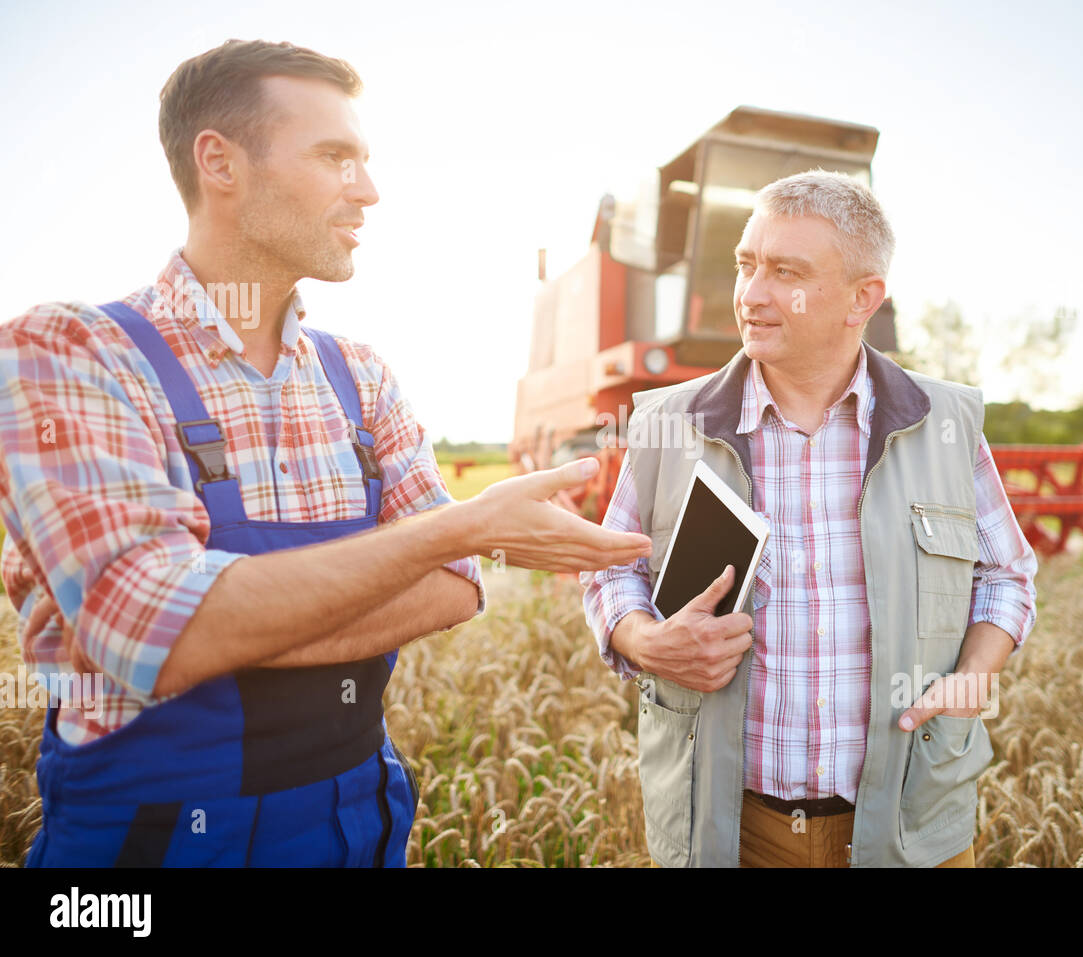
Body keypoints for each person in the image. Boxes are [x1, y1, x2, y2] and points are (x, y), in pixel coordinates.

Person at [0, 38, 650, 868]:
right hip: (149, 843)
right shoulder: (70, 353)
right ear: (220, 162)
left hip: (360, 821)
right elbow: (156, 631)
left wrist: (230, 625)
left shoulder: (360, 376)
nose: (369, 191)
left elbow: (454, 591)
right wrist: (455, 529)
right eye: (336, 157)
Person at [581, 169, 1038, 867]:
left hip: (914, 823)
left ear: (863, 298)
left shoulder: (944, 423)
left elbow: (1007, 574)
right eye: (746, 265)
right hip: (733, 832)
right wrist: (644, 641)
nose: (751, 293)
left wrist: (975, 671)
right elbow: (615, 566)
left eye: (785, 272)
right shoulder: (667, 424)